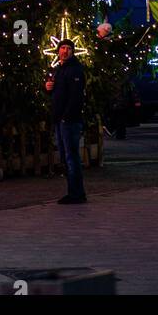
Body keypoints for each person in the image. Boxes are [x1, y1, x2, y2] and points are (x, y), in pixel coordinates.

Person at [45, 38, 87, 204]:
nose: (65, 51)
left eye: (68, 48)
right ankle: (74, 192)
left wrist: (66, 117)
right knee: (66, 157)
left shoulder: (75, 70)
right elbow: (59, 93)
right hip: (60, 120)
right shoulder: (59, 69)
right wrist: (49, 88)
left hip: (69, 121)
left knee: (71, 157)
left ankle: (76, 194)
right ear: (58, 51)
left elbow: (76, 97)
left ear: (72, 51)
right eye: (62, 48)